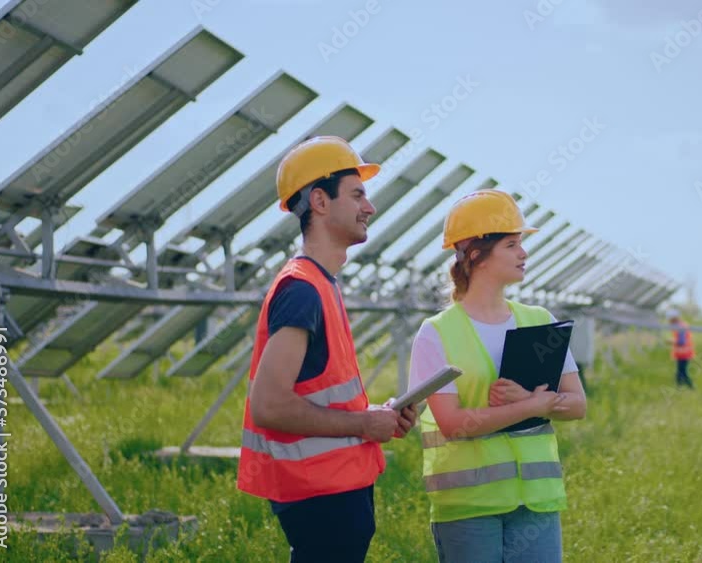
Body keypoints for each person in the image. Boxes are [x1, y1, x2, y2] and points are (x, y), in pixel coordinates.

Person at [237, 136, 418, 563]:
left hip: (332, 493)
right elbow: (269, 406)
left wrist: (378, 417)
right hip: (319, 497)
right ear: (319, 201)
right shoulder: (302, 290)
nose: (368, 207)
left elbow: (318, 392)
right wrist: (362, 423)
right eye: (357, 194)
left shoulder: (321, 285)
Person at [409, 190, 587, 563]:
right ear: (476, 254)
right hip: (468, 506)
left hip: (536, 503)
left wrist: (528, 401)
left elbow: (577, 404)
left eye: (520, 243)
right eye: (511, 244)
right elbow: (453, 424)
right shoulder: (436, 332)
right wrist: (532, 406)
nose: (523, 253)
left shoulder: (540, 320)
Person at [667, 309, 695, 389]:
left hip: (684, 353)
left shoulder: (680, 327)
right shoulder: (681, 325)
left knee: (682, 372)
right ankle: (679, 386)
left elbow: (681, 341)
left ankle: (690, 386)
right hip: (683, 353)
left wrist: (671, 341)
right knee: (680, 371)